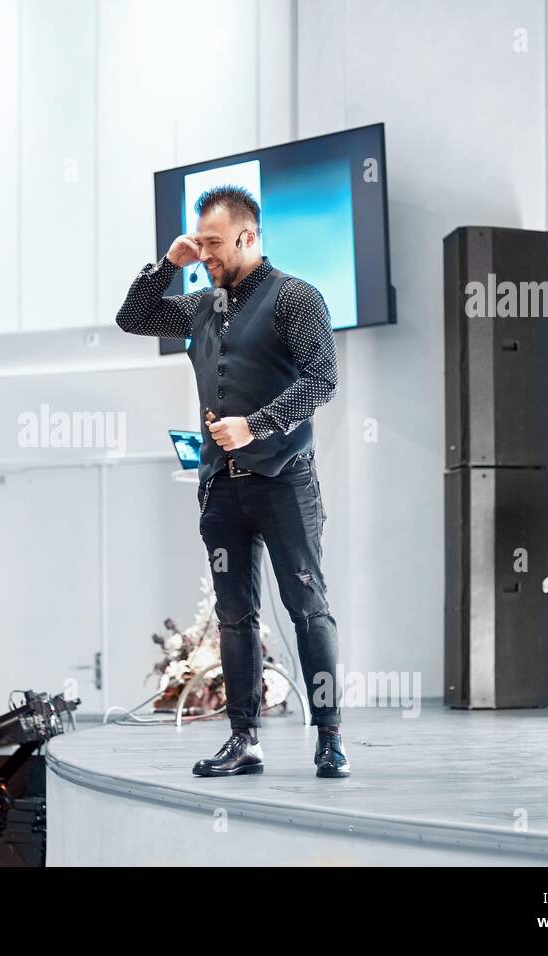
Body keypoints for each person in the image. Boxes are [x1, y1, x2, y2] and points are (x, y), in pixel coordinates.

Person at [116, 184, 350, 778]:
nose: (207, 254)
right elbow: (132, 317)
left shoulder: (296, 298)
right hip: (222, 489)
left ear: (249, 236)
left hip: (286, 481)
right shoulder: (200, 306)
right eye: (201, 243)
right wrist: (169, 264)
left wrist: (259, 425)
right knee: (233, 616)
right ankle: (244, 739)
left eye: (215, 243)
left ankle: (329, 737)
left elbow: (323, 379)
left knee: (307, 608)